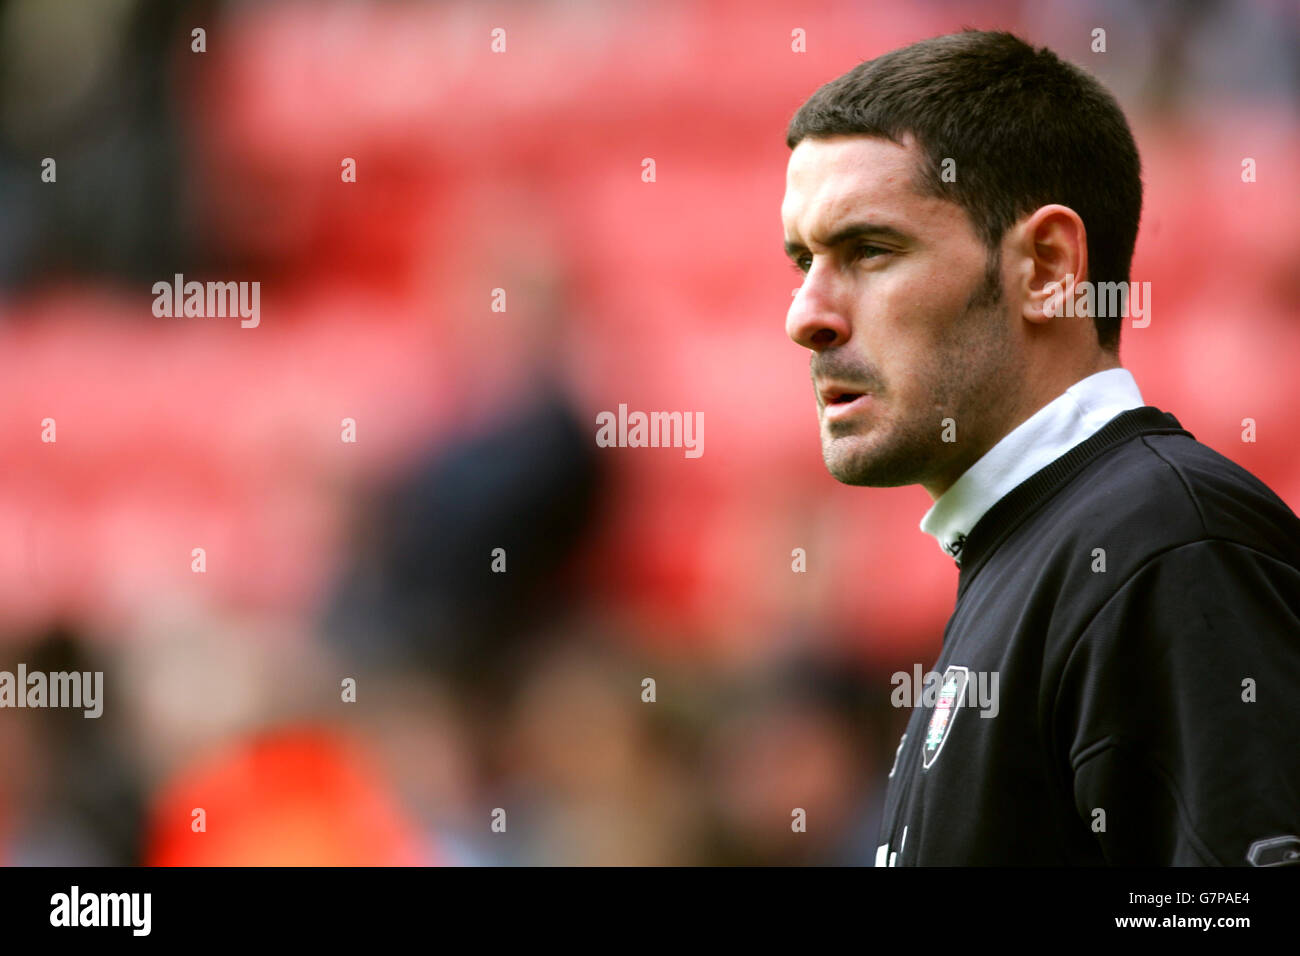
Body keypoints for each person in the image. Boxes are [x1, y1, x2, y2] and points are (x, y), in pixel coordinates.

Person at [780, 29, 1300, 865]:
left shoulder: (1168, 545)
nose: (805, 315)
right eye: (803, 259)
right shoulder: (1045, 548)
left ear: (1048, 267)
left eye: (870, 250)